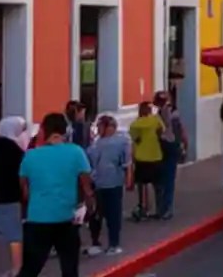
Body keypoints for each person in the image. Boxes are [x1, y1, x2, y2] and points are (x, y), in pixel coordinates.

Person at [17, 112, 95, 277]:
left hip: (37, 219)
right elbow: (87, 187)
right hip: (66, 218)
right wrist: (89, 208)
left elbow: (24, 190)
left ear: (43, 130)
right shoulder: (76, 152)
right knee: (69, 269)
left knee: (30, 269)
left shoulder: (30, 156)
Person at [0, 117, 27, 275]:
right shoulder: (12, 148)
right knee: (14, 235)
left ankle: (9, 266)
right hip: (11, 195)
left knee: (0, 231)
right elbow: (22, 170)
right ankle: (17, 268)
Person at [86, 115, 131, 256]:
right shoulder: (95, 144)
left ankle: (113, 243)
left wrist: (128, 179)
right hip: (99, 183)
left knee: (112, 214)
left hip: (113, 183)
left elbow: (127, 163)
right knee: (96, 214)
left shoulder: (121, 142)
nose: (98, 129)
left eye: (101, 126)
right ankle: (97, 242)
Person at [153, 91, 187, 219]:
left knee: (164, 179)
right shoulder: (171, 112)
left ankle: (164, 208)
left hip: (166, 146)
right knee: (167, 179)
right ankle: (165, 208)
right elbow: (180, 131)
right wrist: (184, 145)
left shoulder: (166, 113)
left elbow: (178, 131)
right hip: (169, 146)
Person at [128, 102, 163, 221]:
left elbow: (136, 139)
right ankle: (159, 210)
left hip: (142, 158)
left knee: (142, 185)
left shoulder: (135, 125)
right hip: (156, 156)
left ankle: (143, 208)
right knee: (157, 185)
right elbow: (161, 132)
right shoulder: (156, 121)